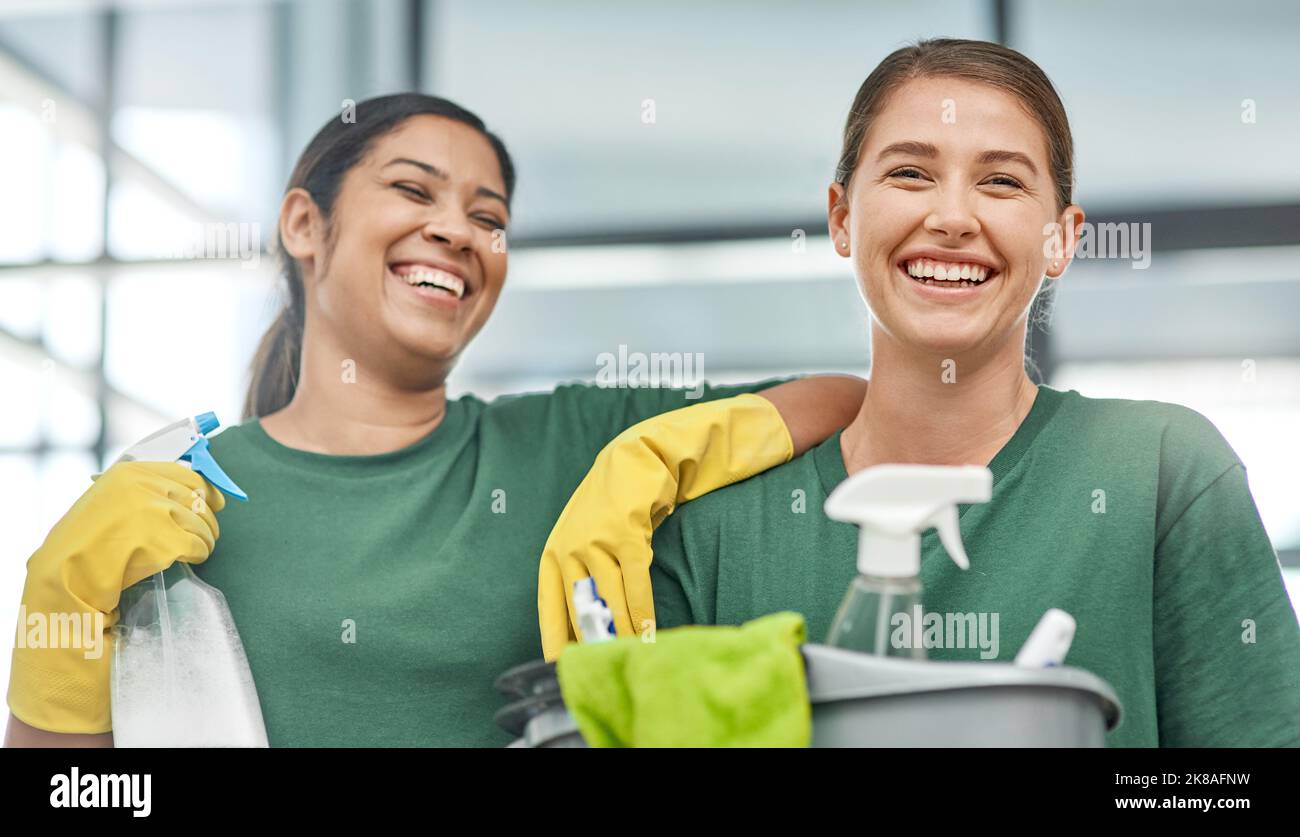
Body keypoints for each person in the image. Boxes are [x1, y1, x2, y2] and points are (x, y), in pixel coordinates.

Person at [6, 94, 865, 747]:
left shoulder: (568, 442)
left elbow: (847, 398)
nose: (457, 229)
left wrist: (653, 457)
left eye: (488, 218)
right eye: (414, 189)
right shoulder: (167, 501)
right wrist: (62, 617)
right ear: (306, 225)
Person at [541, 40, 1300, 747]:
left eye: (1001, 181)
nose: (951, 217)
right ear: (841, 217)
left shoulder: (1161, 473)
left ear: (1060, 239)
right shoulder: (710, 534)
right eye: (910, 172)